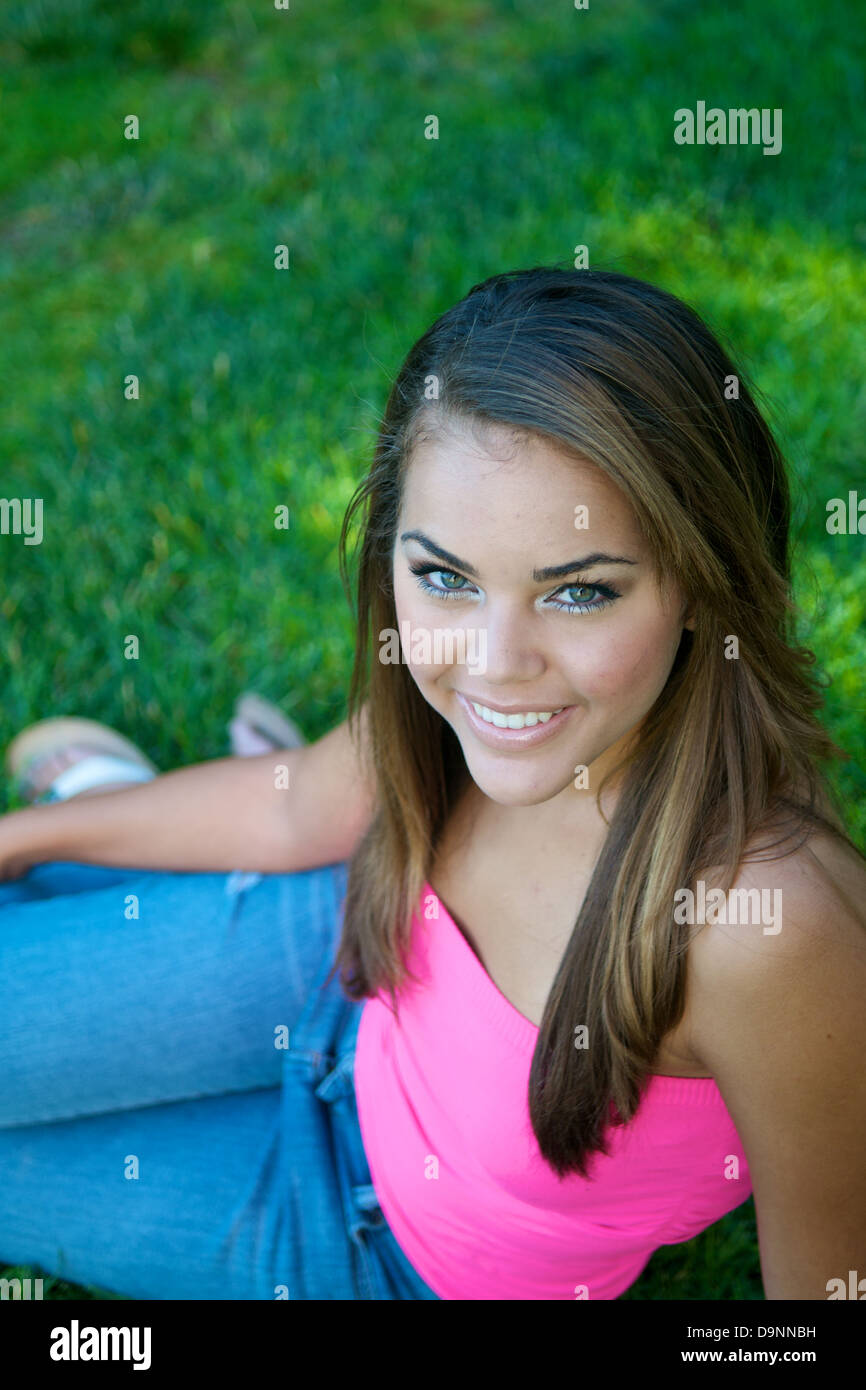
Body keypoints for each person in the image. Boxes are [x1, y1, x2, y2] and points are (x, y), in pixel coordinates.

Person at [1, 266, 864, 1301]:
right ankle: (87, 819)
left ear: (699, 582)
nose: (494, 662)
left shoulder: (770, 931)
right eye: (445, 576)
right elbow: (291, 807)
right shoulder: (446, 707)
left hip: (377, 1252)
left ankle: (95, 819)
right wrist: (15, 840)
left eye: (580, 591)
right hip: (337, 958)